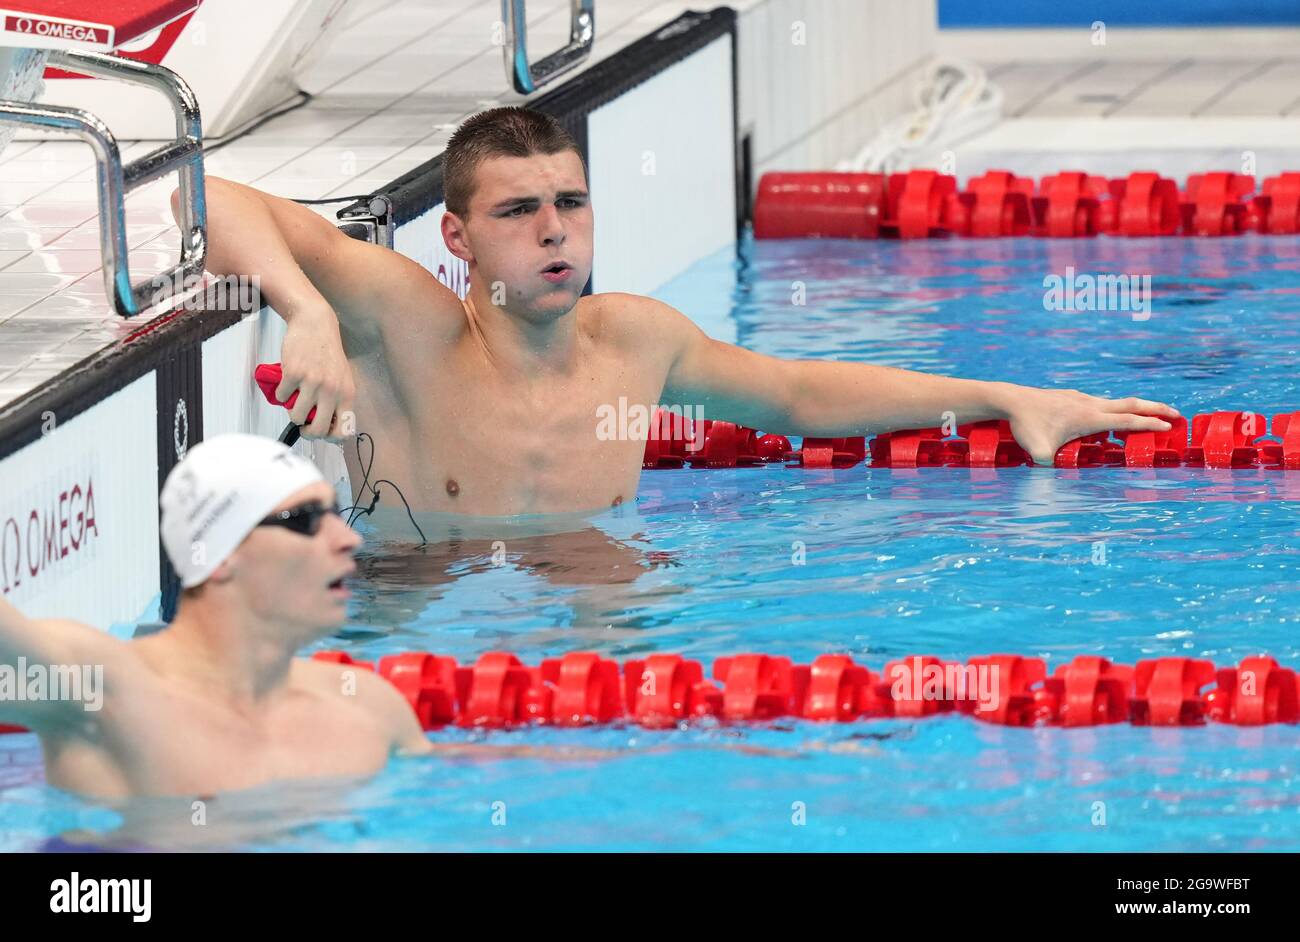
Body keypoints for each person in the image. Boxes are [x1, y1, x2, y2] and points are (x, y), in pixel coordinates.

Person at [184, 106, 1180, 519]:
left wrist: (1005, 393)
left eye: (569, 204)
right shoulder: (405, 321)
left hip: (595, 624)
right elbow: (210, 197)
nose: (552, 232)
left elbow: (793, 393)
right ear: (458, 239)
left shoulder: (636, 339)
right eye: (518, 211)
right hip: (429, 627)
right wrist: (306, 308)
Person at [0, 434, 431, 800]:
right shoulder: (106, 695)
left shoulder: (370, 711)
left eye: (335, 514)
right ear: (221, 556)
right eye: (304, 521)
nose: (347, 538)